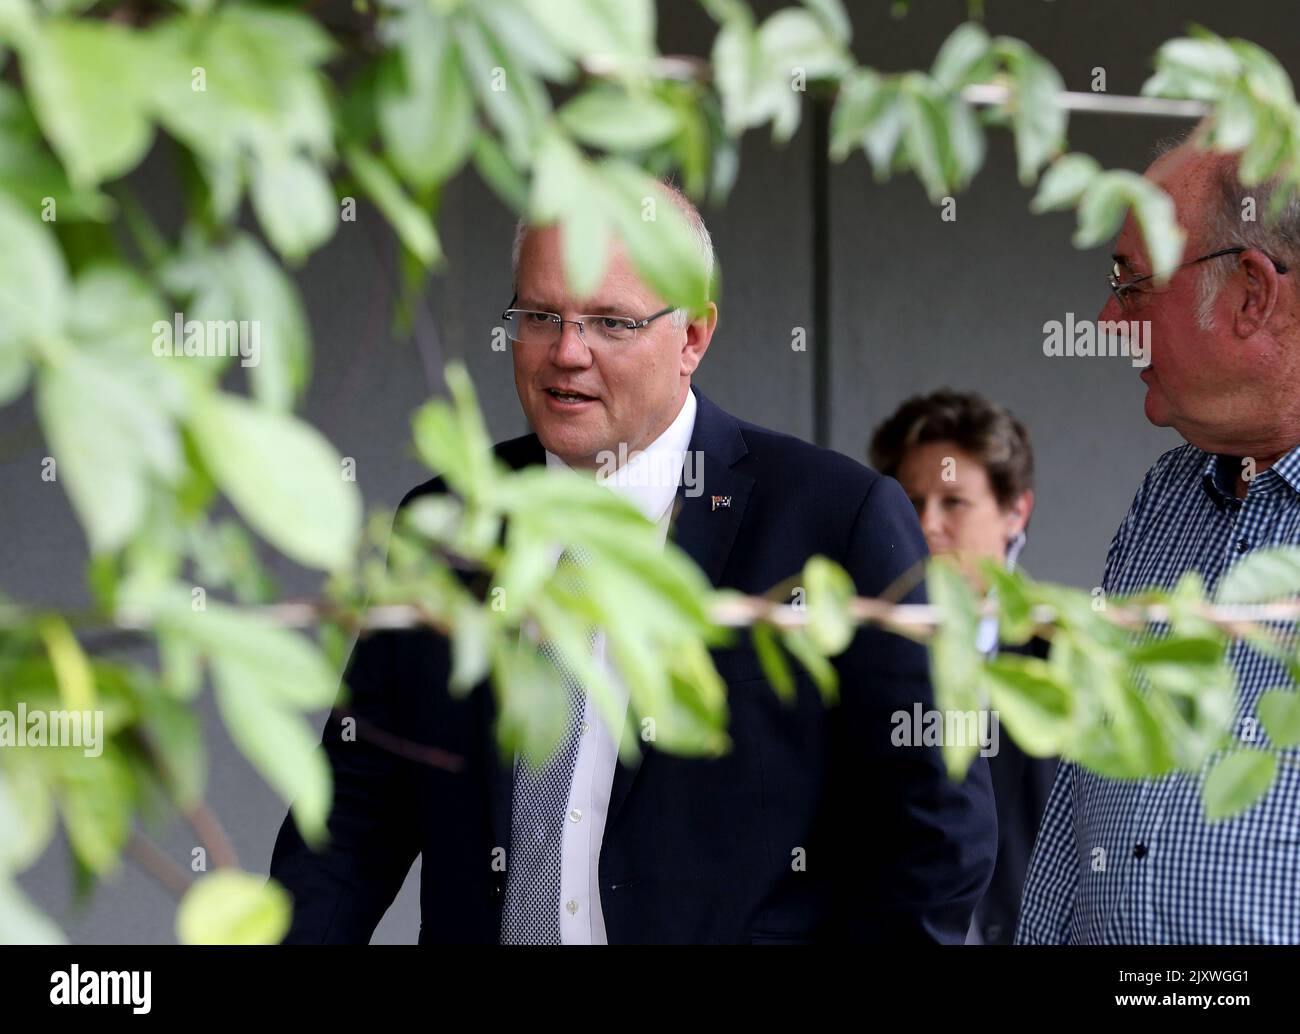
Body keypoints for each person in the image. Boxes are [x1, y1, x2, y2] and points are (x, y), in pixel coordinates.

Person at [270, 182, 997, 944]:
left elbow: (938, 834)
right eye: (539, 316)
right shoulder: (447, 525)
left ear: (693, 336)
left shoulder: (833, 521)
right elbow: (352, 820)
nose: (567, 353)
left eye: (611, 322)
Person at [1018, 131, 1300, 943]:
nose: (1108, 322)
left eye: (1131, 285)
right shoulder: (1168, 498)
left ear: (1250, 293)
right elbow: (1084, 783)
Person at [870, 389, 1056, 944]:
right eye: (910, 502)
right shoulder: (858, 653)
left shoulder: (1070, 657)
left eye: (953, 501)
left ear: (1015, 510)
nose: (927, 526)